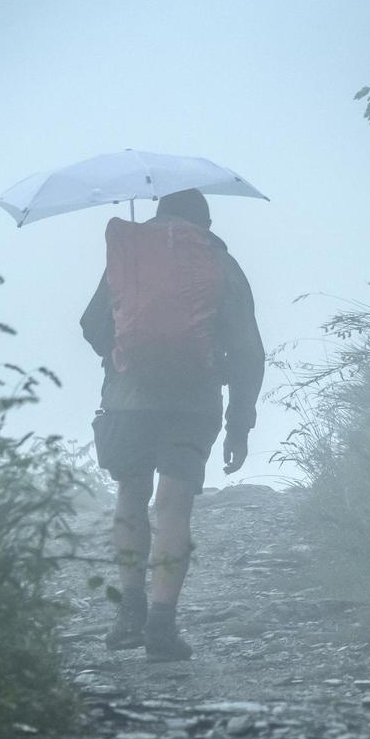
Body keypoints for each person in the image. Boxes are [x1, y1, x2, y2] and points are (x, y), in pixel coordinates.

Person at [81, 189, 265, 661]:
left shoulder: (129, 258)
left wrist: (128, 342)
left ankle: (129, 614)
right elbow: (246, 349)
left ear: (161, 213)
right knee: (173, 507)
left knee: (130, 496)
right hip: (193, 403)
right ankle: (162, 625)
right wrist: (239, 421)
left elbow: (93, 327)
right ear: (203, 222)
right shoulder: (219, 263)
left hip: (127, 401)